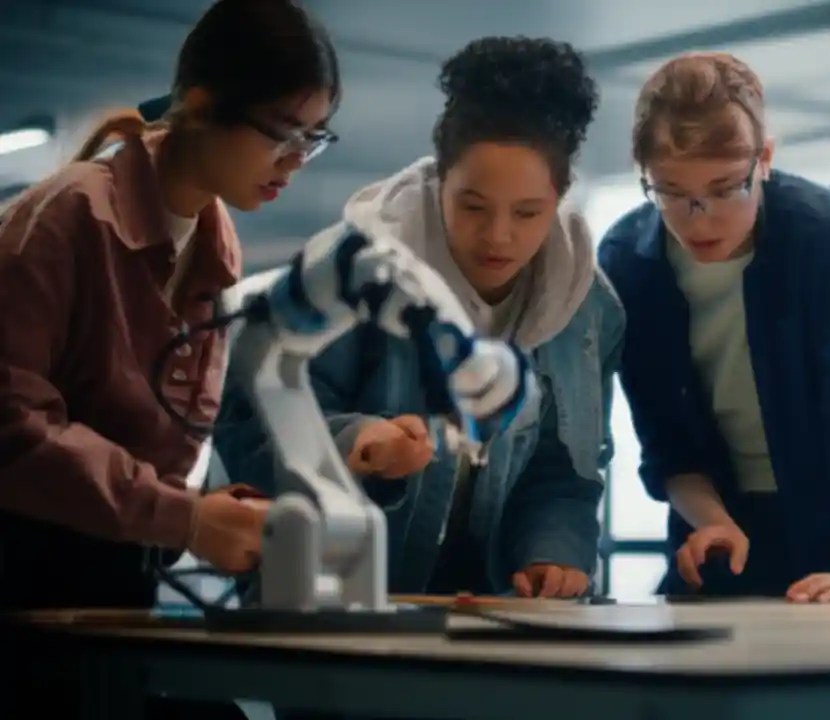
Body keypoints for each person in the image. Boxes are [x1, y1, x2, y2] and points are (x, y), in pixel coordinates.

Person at [0, 0, 340, 715]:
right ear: (199, 104)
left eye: (314, 139)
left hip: (111, 598)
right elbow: (12, 433)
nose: (294, 162)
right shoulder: (70, 216)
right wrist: (185, 518)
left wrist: (212, 512)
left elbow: (164, 454)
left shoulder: (217, 244)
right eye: (281, 133)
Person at [214, 36, 623, 602]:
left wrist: (554, 552)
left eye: (528, 213)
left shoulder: (586, 309)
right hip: (339, 598)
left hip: (486, 609)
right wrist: (360, 441)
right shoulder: (352, 274)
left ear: (560, 199)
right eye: (473, 206)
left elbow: (567, 472)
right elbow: (247, 426)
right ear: (438, 183)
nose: (499, 235)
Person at [597, 52, 830, 603]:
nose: (701, 218)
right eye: (672, 193)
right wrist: (712, 522)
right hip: (721, 520)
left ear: (764, 159)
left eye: (726, 188)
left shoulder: (825, 234)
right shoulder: (627, 259)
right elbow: (667, 443)